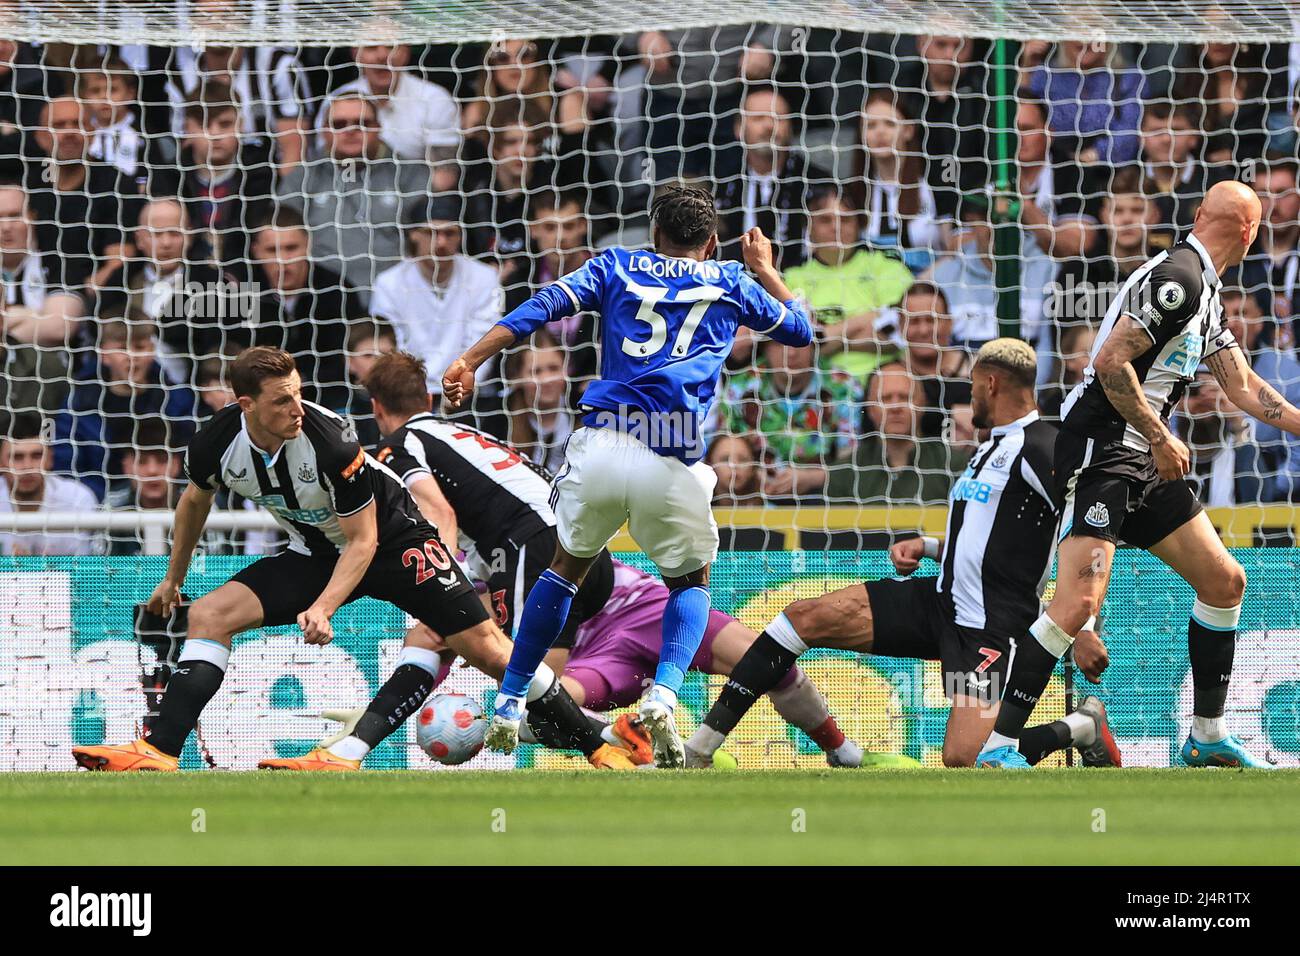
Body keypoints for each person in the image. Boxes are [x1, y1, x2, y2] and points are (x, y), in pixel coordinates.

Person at [71, 346, 630, 772]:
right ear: (246, 405)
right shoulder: (216, 442)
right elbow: (195, 500)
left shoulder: (329, 442)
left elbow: (363, 542)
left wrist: (323, 608)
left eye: (297, 392)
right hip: (317, 550)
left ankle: (601, 745)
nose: (296, 407)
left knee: (487, 650)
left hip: (397, 542)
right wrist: (174, 579)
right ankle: (159, 751)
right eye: (280, 399)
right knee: (210, 615)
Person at [442, 185, 812, 766]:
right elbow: (800, 330)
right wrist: (765, 270)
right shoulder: (731, 281)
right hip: (671, 451)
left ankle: (512, 698)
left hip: (603, 442)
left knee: (564, 570)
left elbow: (539, 308)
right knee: (689, 584)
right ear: (712, 242)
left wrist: (470, 358)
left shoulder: (615, 265)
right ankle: (663, 693)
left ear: (655, 235)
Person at [981, 181, 1300, 769]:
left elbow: (1242, 386)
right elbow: (1107, 364)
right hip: (1104, 447)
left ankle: (1206, 736)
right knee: (1077, 601)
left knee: (1225, 582)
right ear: (1253, 235)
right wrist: (1159, 436)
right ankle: (999, 745)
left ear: (1201, 214)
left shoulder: (1204, 290)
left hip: (1141, 454)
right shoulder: (1179, 278)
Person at [685, 339, 1120, 768]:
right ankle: (700, 748)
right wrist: (929, 547)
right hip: (939, 603)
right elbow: (988, 541)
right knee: (802, 617)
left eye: (971, 387)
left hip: (990, 629)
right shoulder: (986, 449)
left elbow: (1085, 540)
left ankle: (1081, 726)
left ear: (991, 383)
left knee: (966, 759)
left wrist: (1079, 626)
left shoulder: (1044, 447)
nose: (969, 397)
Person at [264, 349, 633, 770]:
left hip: (532, 547)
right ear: (427, 400)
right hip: (582, 548)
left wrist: (444, 590)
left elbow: (440, 514)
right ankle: (352, 749)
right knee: (431, 639)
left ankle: (611, 741)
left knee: (527, 696)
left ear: (376, 408)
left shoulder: (399, 446)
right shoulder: (456, 431)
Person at [369, 195, 503, 399]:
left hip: (470, 391)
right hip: (408, 393)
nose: (441, 242)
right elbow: (392, 346)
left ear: (460, 236)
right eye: (430, 233)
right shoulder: (388, 283)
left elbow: (484, 341)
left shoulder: (484, 278)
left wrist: (461, 385)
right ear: (413, 235)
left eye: (449, 233)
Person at [782, 188, 914, 379]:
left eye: (845, 219)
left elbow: (898, 335)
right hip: (821, 388)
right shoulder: (793, 278)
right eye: (825, 220)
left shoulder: (886, 267)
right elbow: (797, 349)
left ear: (859, 225)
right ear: (809, 228)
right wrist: (866, 319)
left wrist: (826, 337)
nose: (836, 227)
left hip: (884, 383)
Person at [0, 413, 98, 557]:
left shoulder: (77, 501)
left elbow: (81, 575)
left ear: (50, 459)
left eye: (37, 455)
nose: (27, 467)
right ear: (1, 463)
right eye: (17, 457)